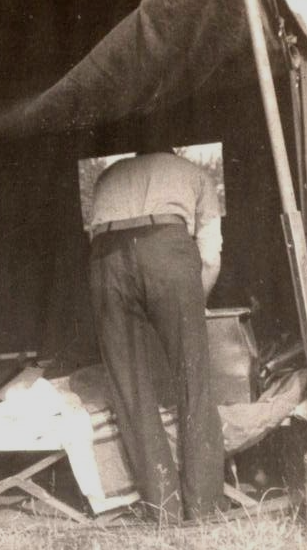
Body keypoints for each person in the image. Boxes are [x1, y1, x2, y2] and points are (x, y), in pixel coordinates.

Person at [87, 150, 226, 523]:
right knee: (193, 381)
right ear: (172, 148)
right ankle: (204, 507)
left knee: (130, 389)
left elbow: (93, 232)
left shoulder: (110, 174)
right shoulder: (194, 173)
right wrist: (192, 307)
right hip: (168, 250)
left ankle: (162, 508)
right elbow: (211, 257)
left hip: (106, 257)